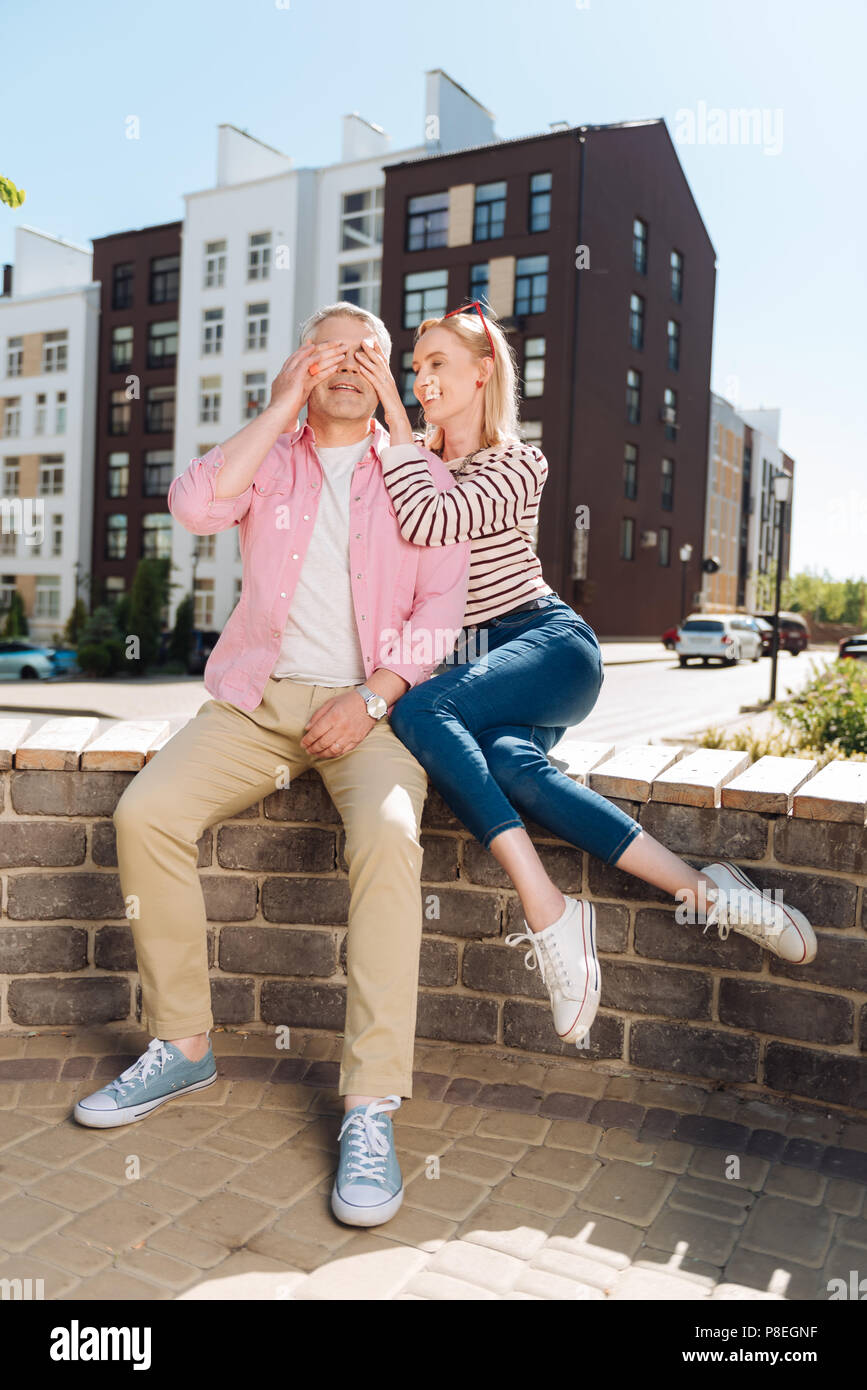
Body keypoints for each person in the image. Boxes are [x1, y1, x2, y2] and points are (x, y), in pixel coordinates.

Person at [71, 302, 471, 1232]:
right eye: (327, 349)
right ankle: (182, 1043)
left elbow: (437, 616)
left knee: (388, 835)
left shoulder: (417, 477)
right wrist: (278, 401)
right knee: (146, 814)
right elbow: (193, 505)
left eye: (366, 353)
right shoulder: (275, 457)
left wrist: (369, 698)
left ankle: (370, 1106)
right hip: (256, 702)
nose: (346, 365)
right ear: (303, 361)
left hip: (370, 711)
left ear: (389, 372)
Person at [348, 300, 817, 1048]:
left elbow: (430, 521)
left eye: (436, 363)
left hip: (547, 645)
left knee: (419, 711)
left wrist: (398, 431)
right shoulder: (411, 462)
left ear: (483, 370)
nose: (420, 379)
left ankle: (548, 911)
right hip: (475, 659)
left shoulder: (515, 462)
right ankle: (708, 891)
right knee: (510, 766)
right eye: (413, 367)